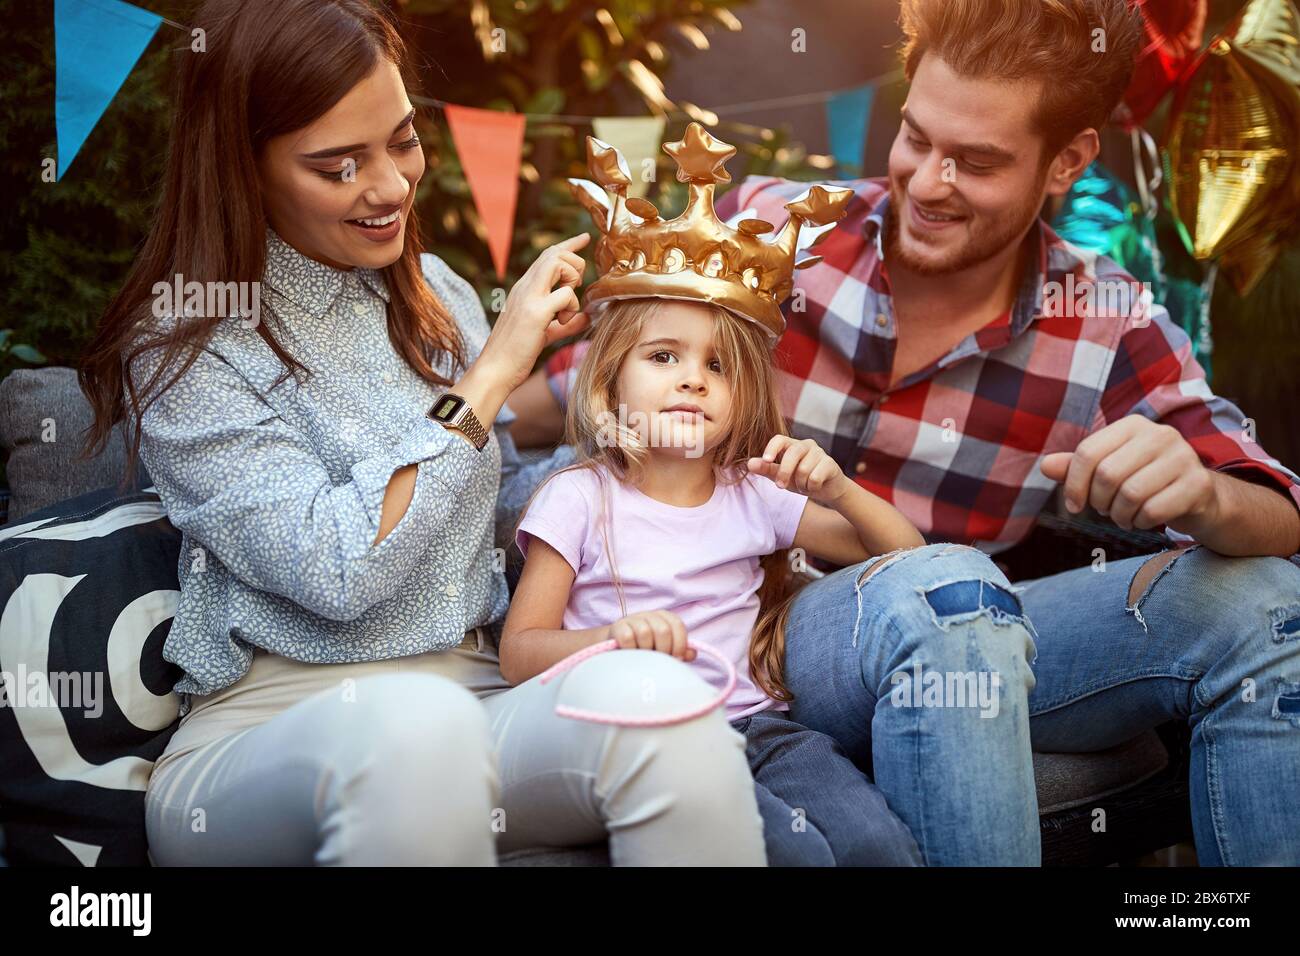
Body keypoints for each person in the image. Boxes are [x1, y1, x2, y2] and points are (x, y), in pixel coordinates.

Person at [514, 0, 1300, 866]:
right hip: (769, 627)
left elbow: (1275, 510)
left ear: (1067, 161)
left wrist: (1204, 490)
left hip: (980, 640)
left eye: (976, 162)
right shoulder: (773, 234)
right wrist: (466, 401)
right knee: (946, 590)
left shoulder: (1105, 318)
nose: (928, 181)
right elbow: (578, 391)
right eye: (916, 137)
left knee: (1267, 608)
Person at [78, 0, 765, 866]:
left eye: (402, 140)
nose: (394, 185)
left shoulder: (429, 289)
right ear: (243, 168)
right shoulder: (186, 340)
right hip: (269, 730)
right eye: (339, 166)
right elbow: (335, 569)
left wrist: (668, 468)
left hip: (481, 695)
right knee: (415, 728)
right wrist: (485, 380)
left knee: (660, 702)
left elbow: (504, 506)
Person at [502, 293, 925, 866]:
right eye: (663, 357)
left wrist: (841, 492)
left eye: (718, 366)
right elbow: (519, 653)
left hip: (766, 731)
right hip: (662, 741)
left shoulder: (755, 494)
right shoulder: (577, 496)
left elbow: (910, 556)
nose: (694, 380)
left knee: (877, 846)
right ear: (610, 381)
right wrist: (609, 641)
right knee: (792, 852)